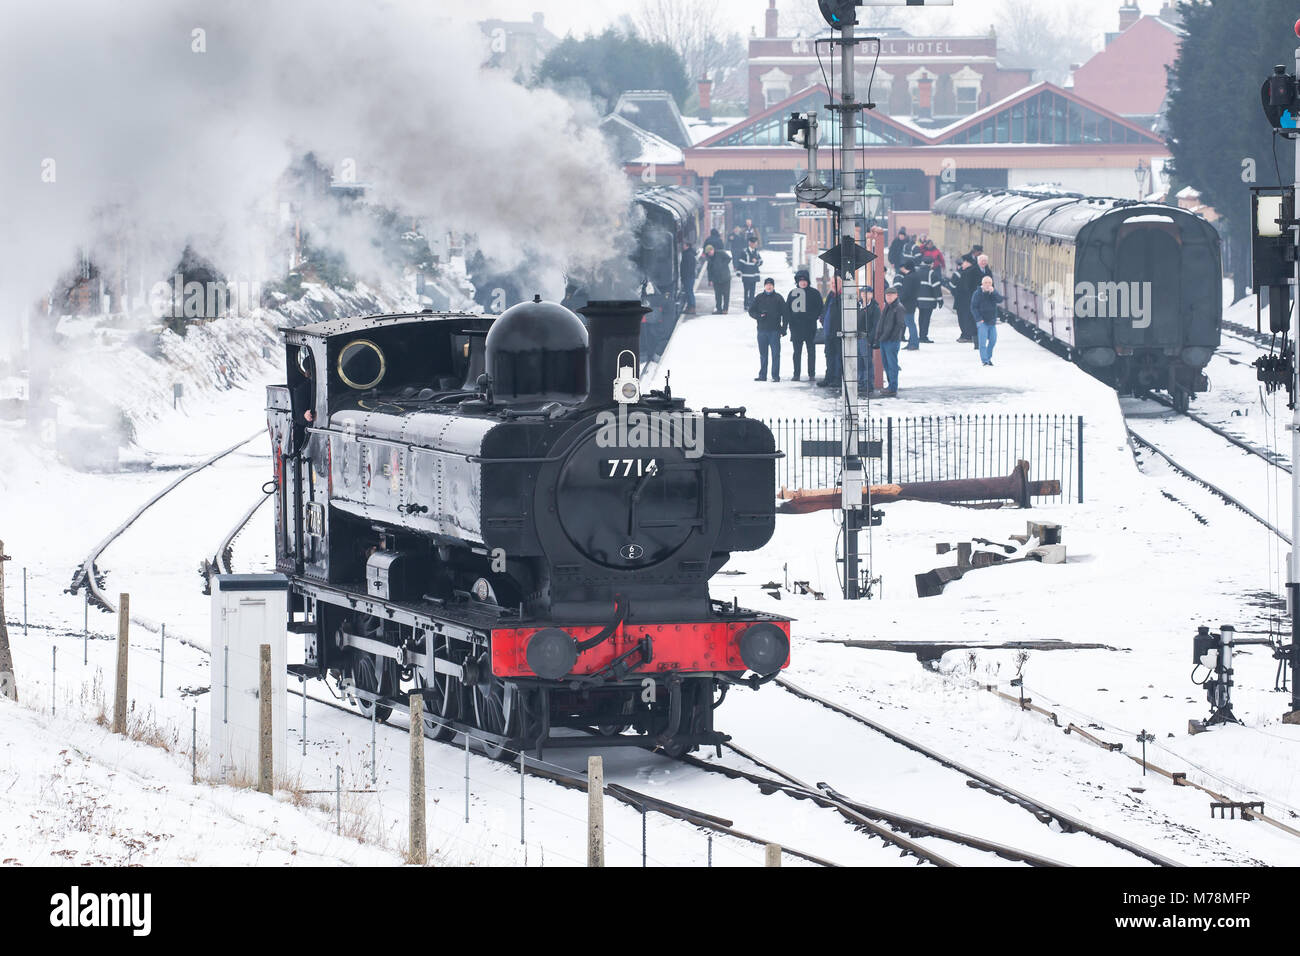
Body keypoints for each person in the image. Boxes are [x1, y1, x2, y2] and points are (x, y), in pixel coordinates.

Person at [784, 269, 823, 381]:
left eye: (805, 280)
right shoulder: (792, 294)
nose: (803, 282)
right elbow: (787, 311)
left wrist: (813, 317)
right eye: (800, 280)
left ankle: (812, 374)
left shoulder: (815, 293)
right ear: (797, 282)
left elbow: (820, 308)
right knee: (797, 353)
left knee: (811, 352)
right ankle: (796, 374)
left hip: (810, 327)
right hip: (796, 328)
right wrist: (788, 324)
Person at [749, 277, 786, 381]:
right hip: (762, 331)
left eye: (771, 284)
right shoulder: (759, 297)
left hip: (775, 331)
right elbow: (751, 311)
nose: (769, 286)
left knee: (775, 354)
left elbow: (785, 314)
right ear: (764, 286)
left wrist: (783, 329)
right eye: (767, 284)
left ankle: (775, 376)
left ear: (773, 286)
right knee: (763, 355)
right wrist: (759, 316)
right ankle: (762, 375)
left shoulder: (778, 298)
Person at [873, 284, 905, 397]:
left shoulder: (899, 308)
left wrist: (892, 337)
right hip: (884, 340)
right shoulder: (887, 307)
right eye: (887, 295)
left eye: (891, 295)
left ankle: (893, 387)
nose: (888, 297)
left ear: (896, 295)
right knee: (886, 365)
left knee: (892, 365)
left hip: (892, 341)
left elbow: (900, 325)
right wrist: (878, 337)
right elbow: (881, 323)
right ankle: (890, 386)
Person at [970, 274, 1003, 366]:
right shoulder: (977, 293)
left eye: (989, 283)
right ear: (982, 283)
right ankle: (985, 360)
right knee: (982, 342)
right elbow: (973, 307)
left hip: (991, 321)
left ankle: (988, 357)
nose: (988, 284)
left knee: (993, 340)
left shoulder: (992, 293)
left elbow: (1000, 300)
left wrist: (994, 292)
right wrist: (979, 319)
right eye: (986, 283)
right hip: (982, 322)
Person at [946, 255, 979, 343]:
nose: (962, 264)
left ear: (968, 263)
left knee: (964, 318)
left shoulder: (965, 273)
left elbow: (960, 287)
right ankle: (968, 334)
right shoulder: (971, 271)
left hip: (964, 300)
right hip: (965, 300)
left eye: (964, 262)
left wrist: (956, 294)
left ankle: (967, 335)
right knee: (966, 318)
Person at [817, 275, 842, 388]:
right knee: (829, 355)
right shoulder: (830, 295)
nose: (833, 285)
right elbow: (825, 309)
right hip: (828, 332)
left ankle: (837, 378)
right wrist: (822, 318)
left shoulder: (843, 296)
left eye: (835, 283)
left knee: (838, 356)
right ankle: (829, 377)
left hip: (838, 332)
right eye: (832, 282)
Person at [857, 285, 880, 393]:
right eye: (863, 293)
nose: (865, 295)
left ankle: (868, 384)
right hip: (857, 338)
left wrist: (870, 339)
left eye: (867, 293)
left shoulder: (874, 307)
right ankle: (861, 382)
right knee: (859, 362)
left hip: (866, 338)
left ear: (871, 294)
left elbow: (876, 325)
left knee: (867, 363)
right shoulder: (858, 305)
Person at [915, 257, 942, 344]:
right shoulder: (931, 273)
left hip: (919, 300)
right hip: (929, 300)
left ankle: (921, 335)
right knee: (926, 319)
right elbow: (936, 288)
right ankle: (924, 336)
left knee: (921, 317)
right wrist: (940, 300)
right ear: (930, 264)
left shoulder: (917, 272)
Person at [896, 260, 921, 349]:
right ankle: (912, 342)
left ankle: (914, 343)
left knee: (910, 324)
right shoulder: (916, 276)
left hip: (907, 304)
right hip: (913, 302)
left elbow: (905, 292)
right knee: (911, 323)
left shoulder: (908, 277)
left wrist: (899, 300)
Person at [704, 245, 731, 313]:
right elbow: (709, 270)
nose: (709, 254)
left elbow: (729, 258)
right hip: (716, 279)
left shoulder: (720, 253)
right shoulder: (709, 258)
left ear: (712, 250)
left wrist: (723, 265)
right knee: (718, 295)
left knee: (726, 294)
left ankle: (725, 309)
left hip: (725, 277)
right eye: (708, 253)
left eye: (710, 252)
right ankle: (719, 309)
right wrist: (710, 280)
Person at [737, 237, 761, 311]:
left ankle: (751, 304)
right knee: (746, 290)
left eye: (756, 243)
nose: (755, 244)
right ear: (750, 243)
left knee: (752, 291)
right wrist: (739, 271)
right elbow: (741, 262)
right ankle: (746, 304)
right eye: (754, 243)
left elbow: (761, 261)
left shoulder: (756, 252)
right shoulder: (744, 252)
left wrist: (756, 261)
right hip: (746, 275)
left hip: (754, 275)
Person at [679, 239, 698, 314]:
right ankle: (689, 307)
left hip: (688, 277)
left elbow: (689, 267)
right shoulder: (688, 253)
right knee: (688, 292)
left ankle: (692, 307)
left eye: (683, 245)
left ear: (687, 246)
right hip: (688, 277)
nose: (682, 246)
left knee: (689, 292)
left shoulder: (688, 255)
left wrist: (685, 276)